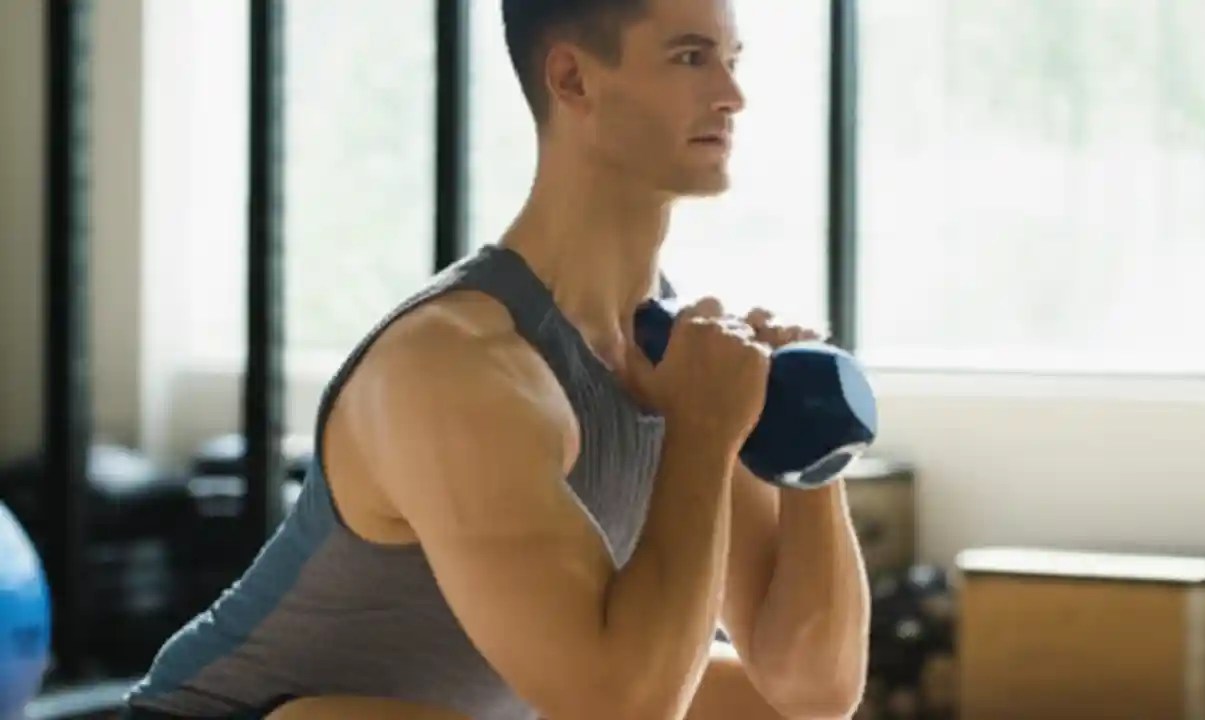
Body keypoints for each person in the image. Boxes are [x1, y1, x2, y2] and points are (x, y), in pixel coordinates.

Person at [122, 0, 870, 718]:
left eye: (733, 58)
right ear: (573, 79)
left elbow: (810, 690)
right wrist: (703, 437)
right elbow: (620, 710)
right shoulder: (455, 366)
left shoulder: (679, 363)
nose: (733, 94)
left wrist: (806, 456)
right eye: (690, 57)